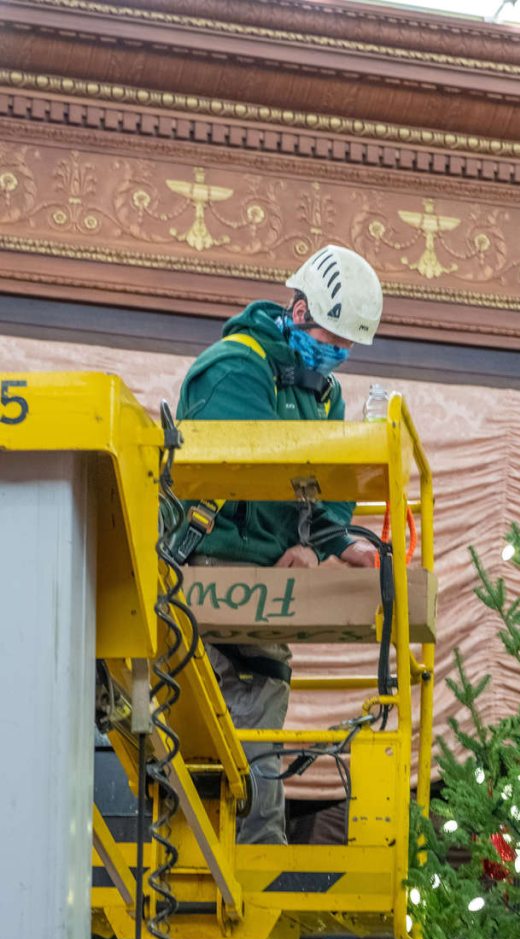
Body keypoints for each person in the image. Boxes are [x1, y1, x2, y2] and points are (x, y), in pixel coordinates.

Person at [175, 243, 381, 844]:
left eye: (346, 346)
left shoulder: (325, 393)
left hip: (263, 578)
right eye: (330, 338)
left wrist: (330, 544)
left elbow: (327, 485)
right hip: (210, 560)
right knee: (230, 714)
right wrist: (310, 540)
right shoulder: (236, 367)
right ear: (298, 311)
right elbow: (252, 469)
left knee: (256, 716)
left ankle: (250, 852)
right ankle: (241, 852)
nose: (337, 353)